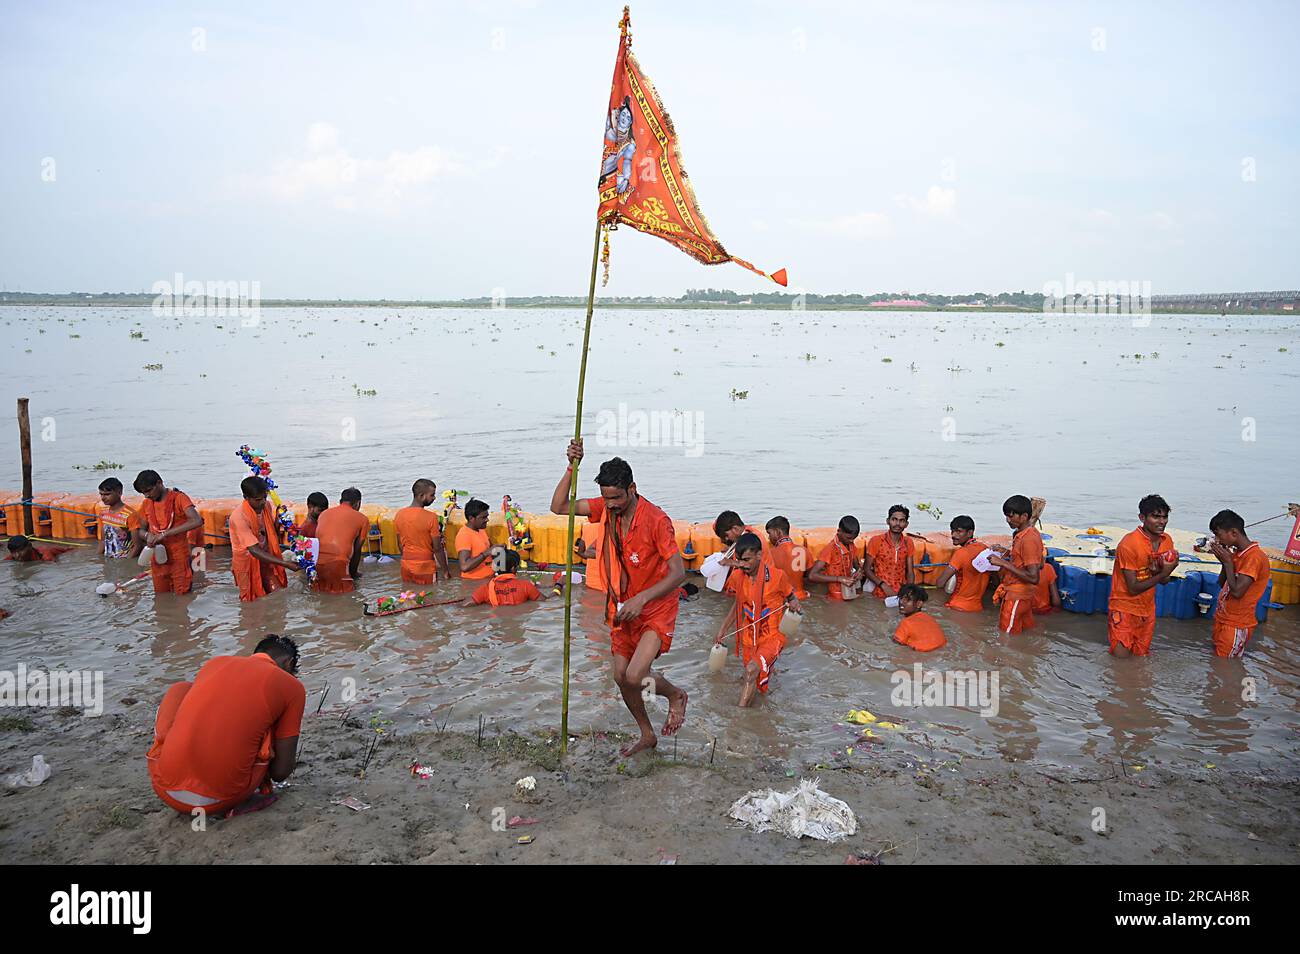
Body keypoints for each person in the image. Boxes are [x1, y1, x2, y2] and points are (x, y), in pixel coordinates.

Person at [550, 439, 687, 756]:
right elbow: (559, 507)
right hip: (622, 607)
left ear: (632, 489)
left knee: (637, 675)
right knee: (620, 677)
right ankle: (647, 734)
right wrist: (573, 466)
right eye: (605, 498)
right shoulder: (605, 508)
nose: (609, 505)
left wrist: (641, 600)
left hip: (655, 608)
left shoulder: (656, 521)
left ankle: (675, 694)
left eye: (616, 498)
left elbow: (679, 573)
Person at [147, 635, 305, 819]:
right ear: (289, 663)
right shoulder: (292, 686)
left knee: (181, 689)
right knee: (266, 719)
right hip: (223, 798)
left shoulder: (215, 663)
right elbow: (281, 772)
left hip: (166, 789)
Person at [714, 532, 799, 706]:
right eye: (740, 560)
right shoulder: (737, 577)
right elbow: (738, 606)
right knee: (753, 677)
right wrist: (723, 630)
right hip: (748, 639)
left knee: (752, 671)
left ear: (759, 555)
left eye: (747, 560)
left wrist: (795, 603)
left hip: (772, 637)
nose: (742, 565)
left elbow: (791, 597)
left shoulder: (777, 576)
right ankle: (762, 701)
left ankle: (740, 716)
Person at [1107, 494, 1179, 656]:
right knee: (1120, 661)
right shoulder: (1129, 544)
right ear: (1142, 517)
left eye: (1164, 517)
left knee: (1140, 659)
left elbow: (1165, 581)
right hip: (1123, 608)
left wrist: (1162, 572)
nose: (1161, 522)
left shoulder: (1167, 541)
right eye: (1155, 516)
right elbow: (1132, 588)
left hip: (1147, 610)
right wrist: (1163, 573)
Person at [1207, 509, 1272, 658]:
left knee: (1226, 667)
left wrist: (1228, 562)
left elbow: (1237, 592)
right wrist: (1225, 563)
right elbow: (1221, 582)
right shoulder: (1236, 554)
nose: (1217, 539)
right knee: (1216, 663)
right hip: (1223, 618)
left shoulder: (1254, 557)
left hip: (1237, 624)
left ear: (1233, 533)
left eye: (1219, 534)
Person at [228, 476, 301, 602]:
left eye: (264, 498)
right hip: (247, 562)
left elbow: (272, 534)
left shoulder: (266, 506)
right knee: (250, 602)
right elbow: (253, 550)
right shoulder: (239, 517)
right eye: (258, 500)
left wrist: (279, 520)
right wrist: (286, 564)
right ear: (246, 497)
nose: (262, 502)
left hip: (266, 557)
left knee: (278, 595)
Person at [132, 470, 204, 595]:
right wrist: (147, 535)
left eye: (148, 490)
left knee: (183, 597)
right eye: (143, 493)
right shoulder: (146, 503)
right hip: (157, 558)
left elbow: (196, 521)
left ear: (159, 483)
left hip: (179, 558)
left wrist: (165, 534)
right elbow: (140, 530)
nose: (146, 495)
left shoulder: (179, 498)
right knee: (161, 598)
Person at [989, 495, 1042, 635]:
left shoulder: (1028, 539)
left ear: (1024, 516)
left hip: (1017, 596)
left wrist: (1002, 563)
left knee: (1006, 637)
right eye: (1006, 516)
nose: (1008, 520)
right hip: (1023, 596)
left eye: (1011, 516)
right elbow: (1022, 560)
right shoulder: (1022, 534)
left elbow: (1033, 577)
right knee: (1027, 632)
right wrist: (1005, 552)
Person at [394, 479, 450, 585]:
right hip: (425, 566)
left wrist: (408, 559)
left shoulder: (399, 515)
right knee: (429, 596)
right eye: (432, 495)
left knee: (408, 596)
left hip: (406, 565)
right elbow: (437, 549)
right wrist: (446, 571)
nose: (434, 498)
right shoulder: (431, 517)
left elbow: (400, 544)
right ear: (421, 496)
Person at [313, 488, 369, 594]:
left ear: (340, 501)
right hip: (339, 564)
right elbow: (357, 551)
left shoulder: (323, 514)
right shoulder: (362, 519)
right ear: (358, 503)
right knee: (346, 600)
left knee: (322, 597)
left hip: (317, 564)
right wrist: (354, 575)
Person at [935, 515, 989, 612]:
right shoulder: (984, 548)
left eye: (959, 531)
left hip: (958, 606)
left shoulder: (961, 553)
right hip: (977, 607)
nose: (953, 535)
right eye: (952, 531)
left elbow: (940, 583)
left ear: (970, 533)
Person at [862, 505, 914, 599]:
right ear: (888, 521)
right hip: (880, 588)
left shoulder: (908, 542)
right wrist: (883, 586)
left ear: (906, 524)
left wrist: (909, 591)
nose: (897, 524)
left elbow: (910, 572)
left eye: (902, 520)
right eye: (894, 519)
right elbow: (866, 569)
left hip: (901, 590)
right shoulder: (876, 541)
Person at [462, 549, 547, 607]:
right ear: (513, 568)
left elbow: (465, 605)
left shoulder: (486, 589)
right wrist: (558, 585)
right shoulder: (526, 586)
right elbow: (545, 600)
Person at [807, 515, 860, 600]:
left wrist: (858, 573)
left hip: (848, 592)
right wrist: (839, 579)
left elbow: (857, 567)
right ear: (839, 531)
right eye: (849, 538)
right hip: (833, 595)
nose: (851, 541)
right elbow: (812, 575)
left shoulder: (852, 546)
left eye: (854, 538)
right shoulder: (829, 549)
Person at [94, 477, 140, 560]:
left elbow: (137, 546)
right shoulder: (103, 514)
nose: (103, 498)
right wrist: (97, 558)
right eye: (101, 494)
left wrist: (127, 563)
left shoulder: (130, 515)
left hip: (124, 559)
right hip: (109, 558)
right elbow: (102, 541)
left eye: (107, 494)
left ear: (119, 493)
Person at [893, 583, 947, 651]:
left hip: (919, 655)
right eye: (901, 598)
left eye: (907, 600)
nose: (901, 602)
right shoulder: (929, 618)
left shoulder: (906, 623)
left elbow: (896, 644)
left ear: (919, 604)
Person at [765, 516, 809, 599]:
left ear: (778, 532)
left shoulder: (770, 553)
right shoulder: (804, 550)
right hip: (801, 596)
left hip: (781, 599)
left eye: (769, 533)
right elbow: (809, 575)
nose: (768, 537)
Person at [456, 499, 499, 581]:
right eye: (483, 517)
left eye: (487, 516)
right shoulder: (464, 535)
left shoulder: (481, 529)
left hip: (488, 578)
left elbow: (490, 549)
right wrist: (487, 553)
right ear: (471, 518)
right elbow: (464, 566)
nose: (487, 520)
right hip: (474, 582)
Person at [6, 535, 71, 562]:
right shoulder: (12, 557)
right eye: (13, 552)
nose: (17, 555)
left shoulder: (45, 555)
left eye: (20, 551)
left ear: (29, 546)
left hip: (69, 551)